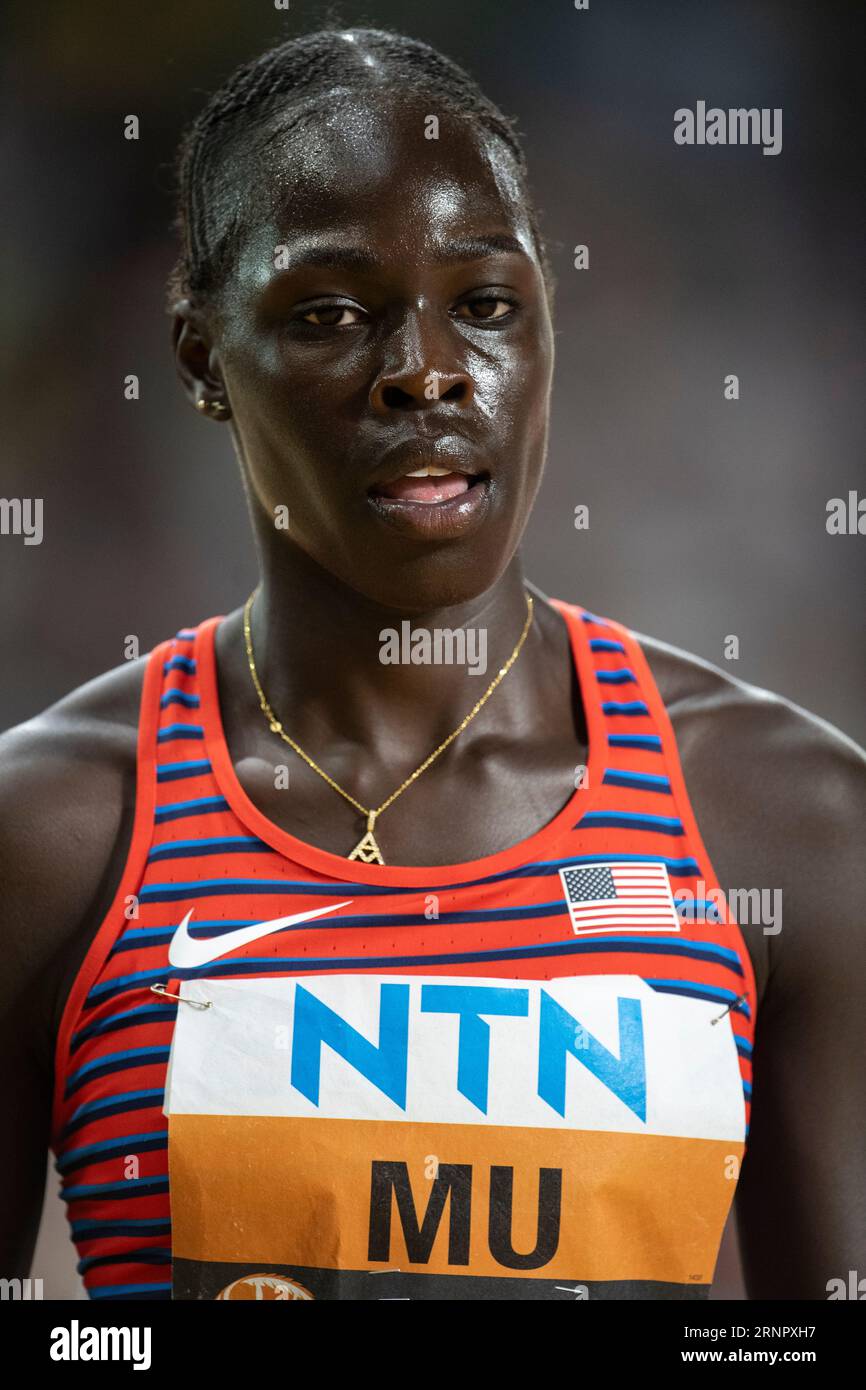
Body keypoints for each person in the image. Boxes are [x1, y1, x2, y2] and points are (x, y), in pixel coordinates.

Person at [1, 26, 863, 1303]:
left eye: (484, 303)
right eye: (335, 313)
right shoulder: (56, 836)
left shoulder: (789, 823)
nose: (426, 372)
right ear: (200, 361)